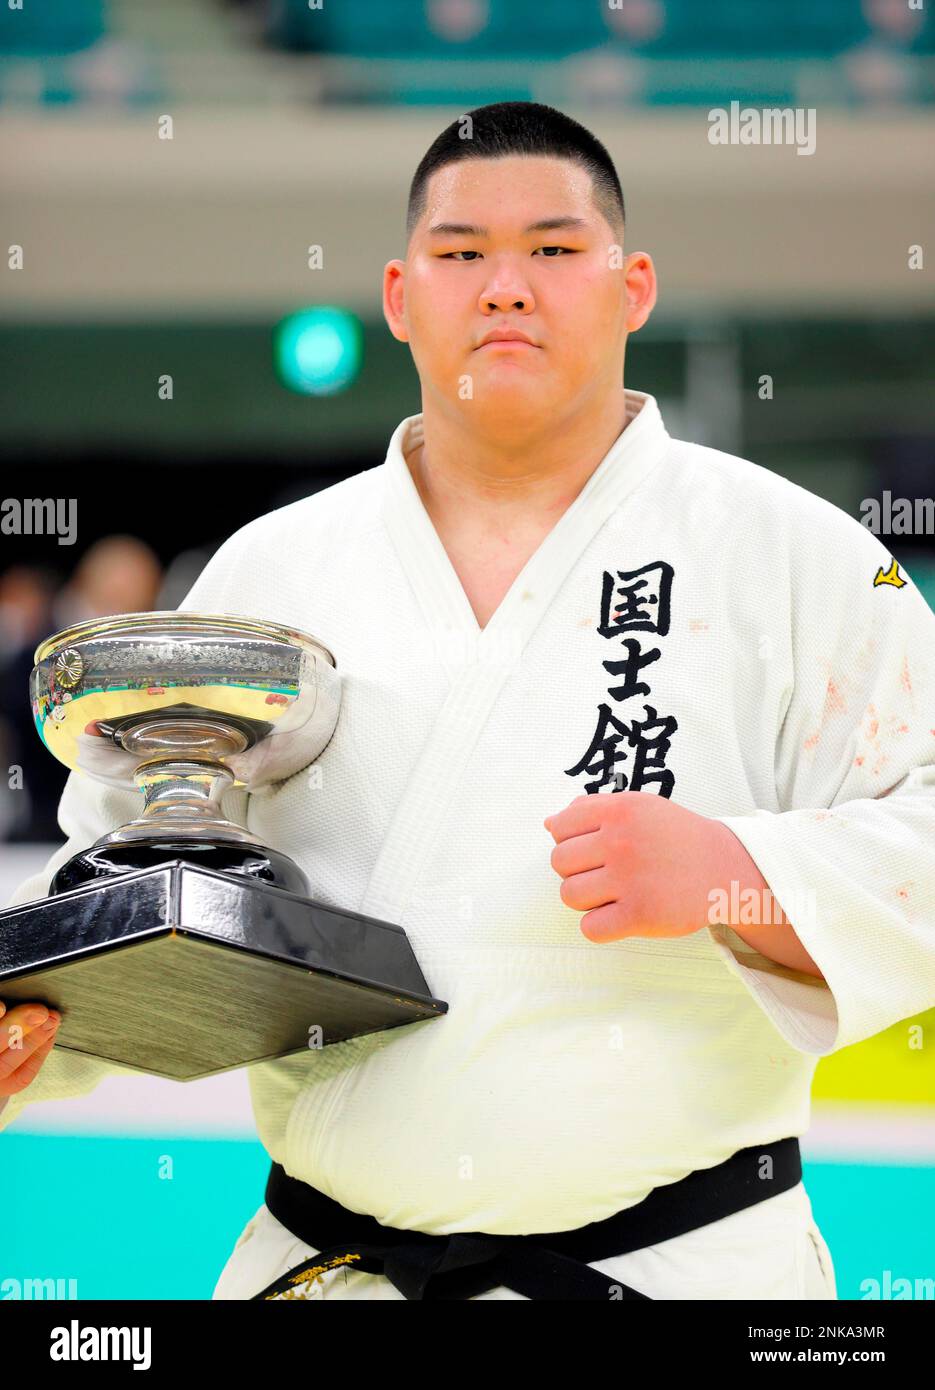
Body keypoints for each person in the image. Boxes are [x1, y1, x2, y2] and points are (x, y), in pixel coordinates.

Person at [4, 101, 935, 1301]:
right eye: (459, 253)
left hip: (681, 1268)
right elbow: (126, 880)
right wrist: (32, 1029)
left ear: (633, 287)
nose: (504, 286)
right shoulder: (270, 570)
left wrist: (734, 871)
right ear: (399, 297)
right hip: (336, 1268)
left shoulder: (801, 555)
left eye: (552, 247)